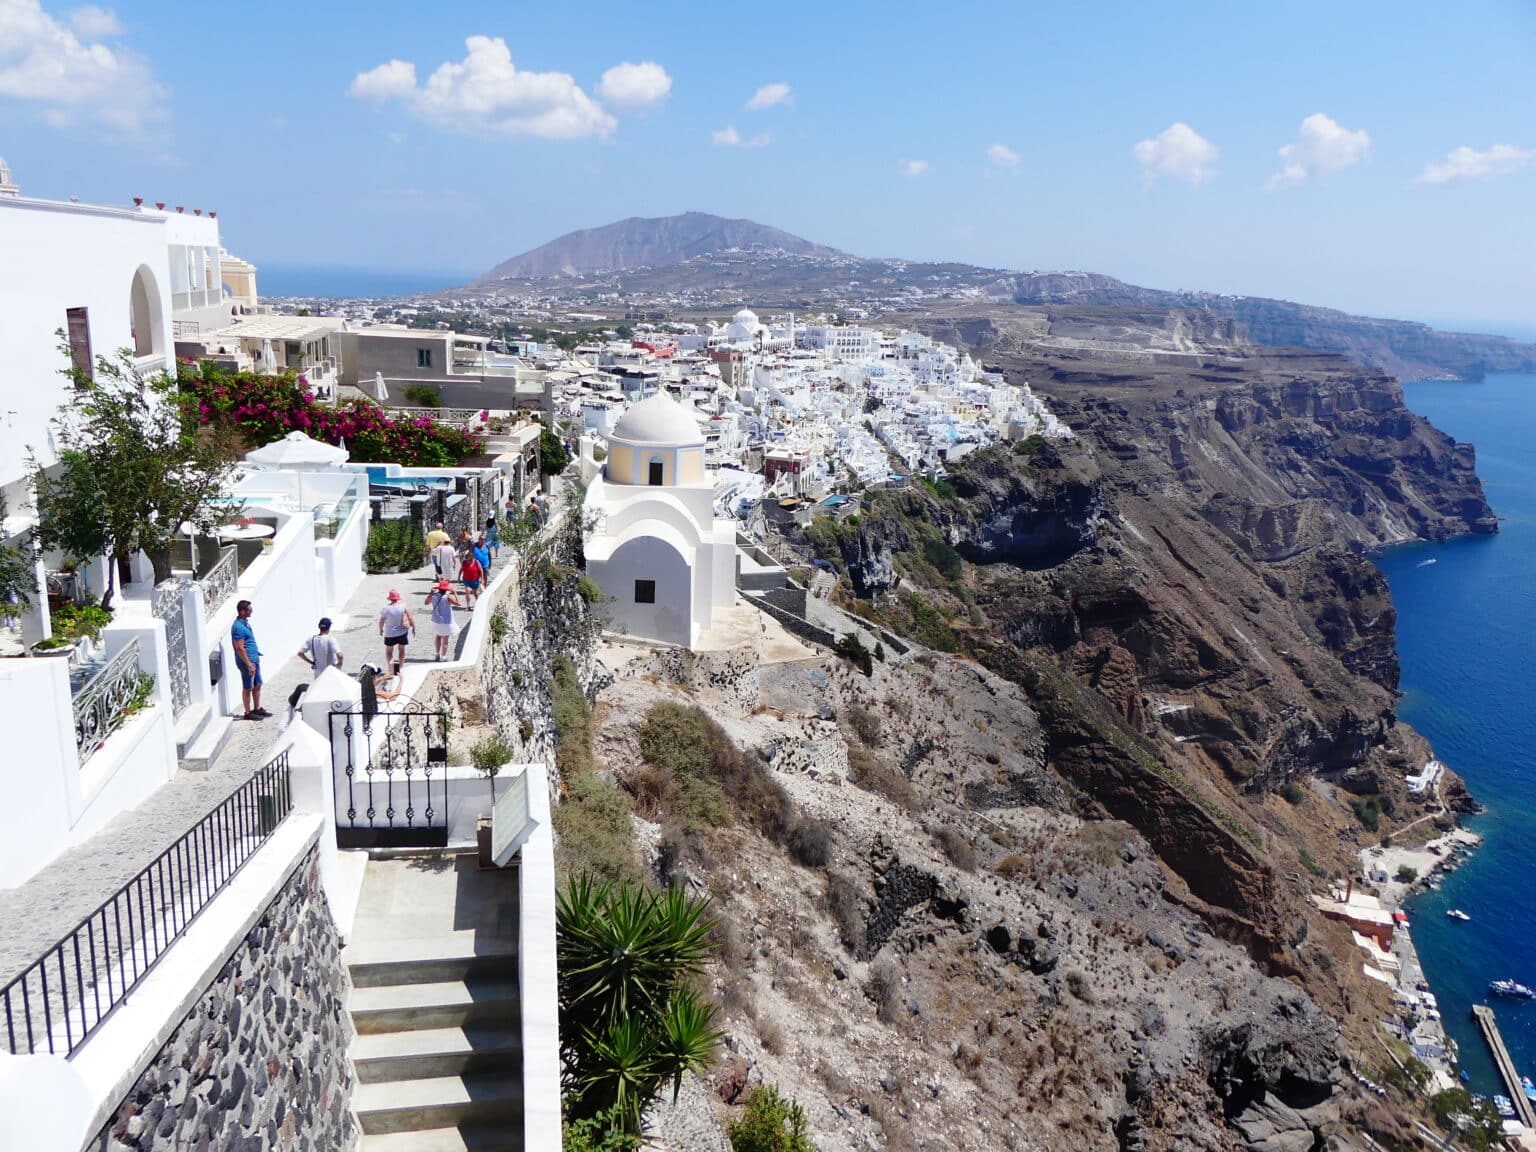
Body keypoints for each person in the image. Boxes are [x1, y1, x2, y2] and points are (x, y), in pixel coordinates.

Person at [231, 600, 269, 719]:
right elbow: (240, 648)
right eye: (249, 609)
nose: (251, 611)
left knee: (258, 684)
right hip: (247, 662)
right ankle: (247, 712)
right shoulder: (238, 627)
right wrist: (249, 664)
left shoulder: (245, 624)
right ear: (242, 611)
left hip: (254, 659)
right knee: (247, 687)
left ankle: (257, 708)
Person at [378, 589, 415, 669]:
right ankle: (400, 668)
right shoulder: (403, 607)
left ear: (390, 598)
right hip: (402, 632)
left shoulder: (386, 608)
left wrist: (381, 629)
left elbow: (381, 621)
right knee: (401, 650)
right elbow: (410, 618)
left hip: (389, 633)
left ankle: (391, 669)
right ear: (398, 598)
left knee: (389, 652)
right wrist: (414, 628)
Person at [424, 579, 461, 660]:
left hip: (436, 620)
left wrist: (430, 593)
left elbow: (426, 603)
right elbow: (458, 603)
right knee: (445, 638)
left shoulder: (434, 596)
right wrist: (455, 593)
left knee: (438, 636)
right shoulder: (448, 597)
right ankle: (443, 657)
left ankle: (437, 654)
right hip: (446, 621)